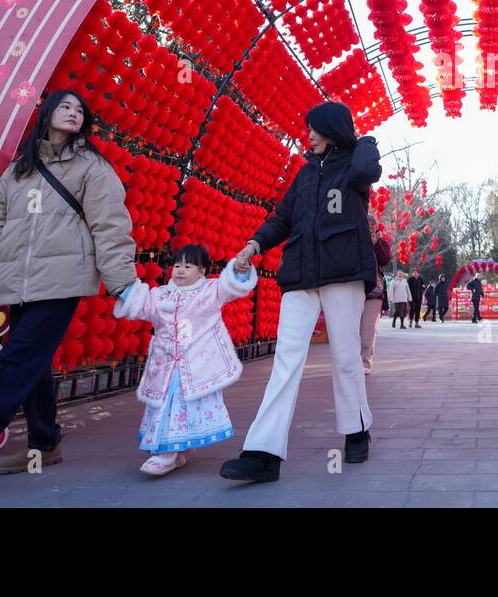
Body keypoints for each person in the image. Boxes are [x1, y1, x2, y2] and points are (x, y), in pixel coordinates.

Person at [0, 90, 137, 496]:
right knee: (33, 367)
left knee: (14, 364)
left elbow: (110, 224)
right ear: (47, 115)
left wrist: (121, 280)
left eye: (80, 110)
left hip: (62, 278)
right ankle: (45, 443)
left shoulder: (92, 167)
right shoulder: (19, 170)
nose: (73, 113)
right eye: (65, 106)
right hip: (18, 282)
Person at [219, 101, 380, 484]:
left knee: (344, 356)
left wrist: (364, 141)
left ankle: (356, 431)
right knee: (285, 360)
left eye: (315, 127)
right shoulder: (305, 174)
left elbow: (367, 170)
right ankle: (263, 452)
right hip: (300, 273)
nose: (308, 134)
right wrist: (253, 246)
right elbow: (282, 217)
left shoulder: (355, 166)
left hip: (343, 271)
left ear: (332, 129)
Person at [113, 245, 257, 475]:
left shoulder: (211, 290)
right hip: (164, 364)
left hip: (196, 362)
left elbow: (232, 284)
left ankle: (167, 454)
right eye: (177, 265)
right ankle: (180, 449)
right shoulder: (159, 294)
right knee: (167, 403)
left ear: (201, 271)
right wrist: (119, 285)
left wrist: (240, 269)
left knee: (178, 403)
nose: (180, 270)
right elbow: (140, 305)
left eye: (188, 266)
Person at [360, 214, 391, 374]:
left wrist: (376, 243)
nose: (370, 227)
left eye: (373, 225)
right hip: (355, 288)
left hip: (374, 292)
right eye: (367, 224)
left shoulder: (381, 242)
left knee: (368, 329)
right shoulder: (355, 238)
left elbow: (385, 259)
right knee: (351, 328)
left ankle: (365, 362)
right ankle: (352, 361)